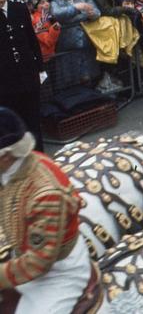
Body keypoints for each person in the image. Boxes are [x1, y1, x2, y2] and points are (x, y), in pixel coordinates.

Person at [0, 108, 99, 313]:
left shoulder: (44, 195)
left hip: (58, 273)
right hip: (23, 254)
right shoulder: (17, 164)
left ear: (6, 156)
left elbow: (38, 263)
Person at [0, 0, 45, 152]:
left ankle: (40, 158)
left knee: (34, 122)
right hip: (6, 82)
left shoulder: (18, 8)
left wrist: (40, 68)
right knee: (13, 128)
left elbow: (31, 40)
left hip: (28, 76)